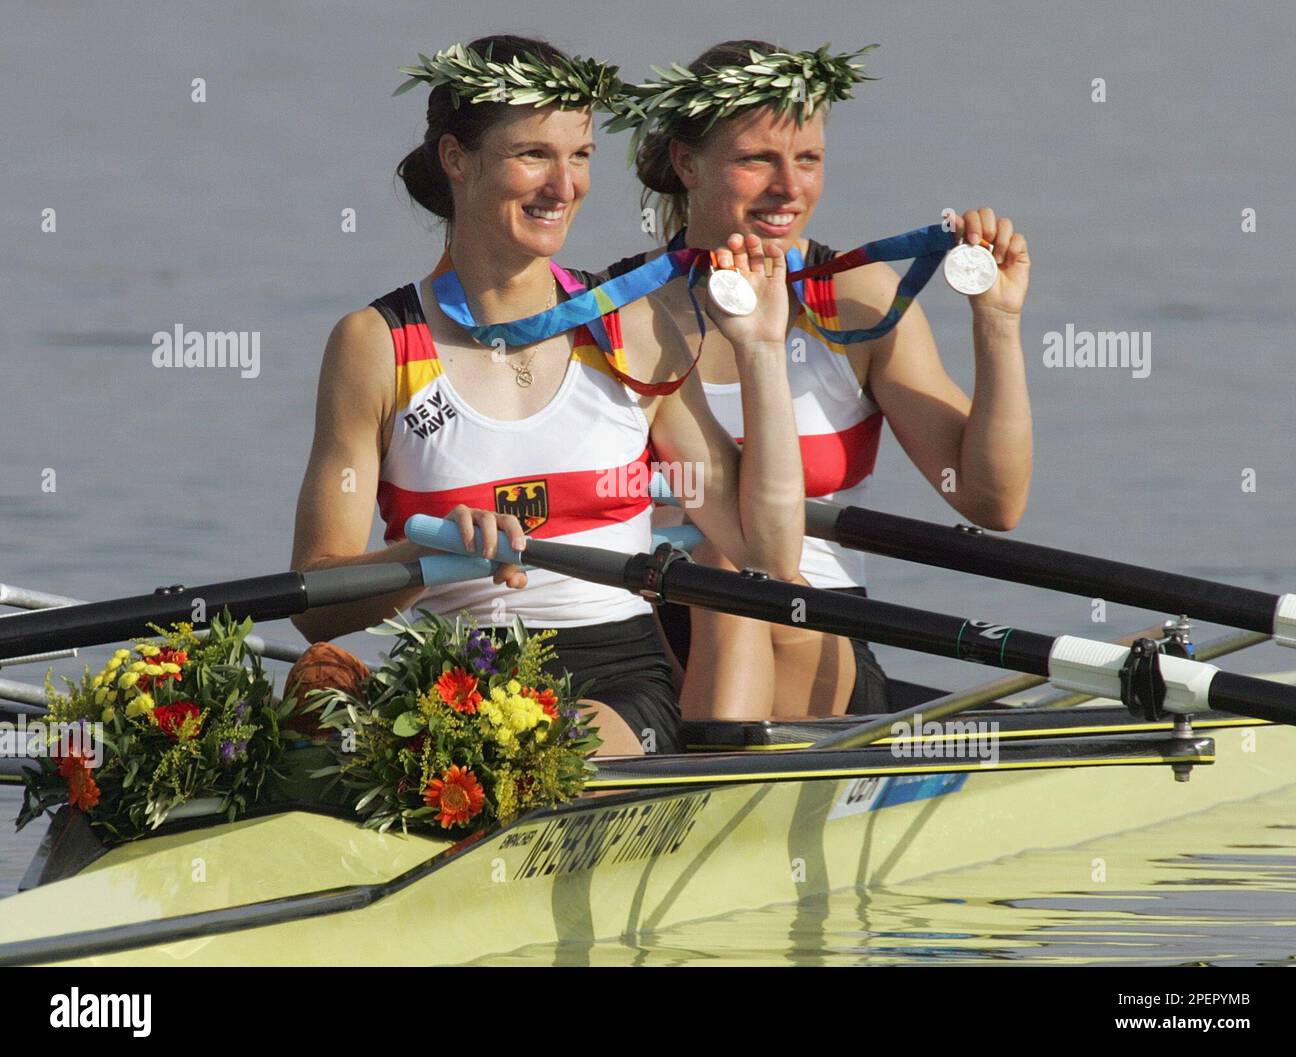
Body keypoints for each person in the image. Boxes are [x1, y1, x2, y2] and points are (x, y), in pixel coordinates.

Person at [288, 36, 804, 756]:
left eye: (582, 155)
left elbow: (770, 549)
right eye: (534, 154)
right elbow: (313, 602)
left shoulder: (632, 324)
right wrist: (426, 553)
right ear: (456, 159)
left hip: (617, 680)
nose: (565, 186)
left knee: (538, 754)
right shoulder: (376, 343)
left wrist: (762, 349)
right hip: (452, 679)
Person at [599, 41, 1033, 721]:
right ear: (686, 162)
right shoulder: (618, 311)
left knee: (727, 563)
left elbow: (992, 501)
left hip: (810, 634)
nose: (790, 188)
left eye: (808, 159)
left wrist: (997, 323)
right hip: (636, 642)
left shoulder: (858, 301)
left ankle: (709, 786)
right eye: (756, 160)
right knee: (710, 569)